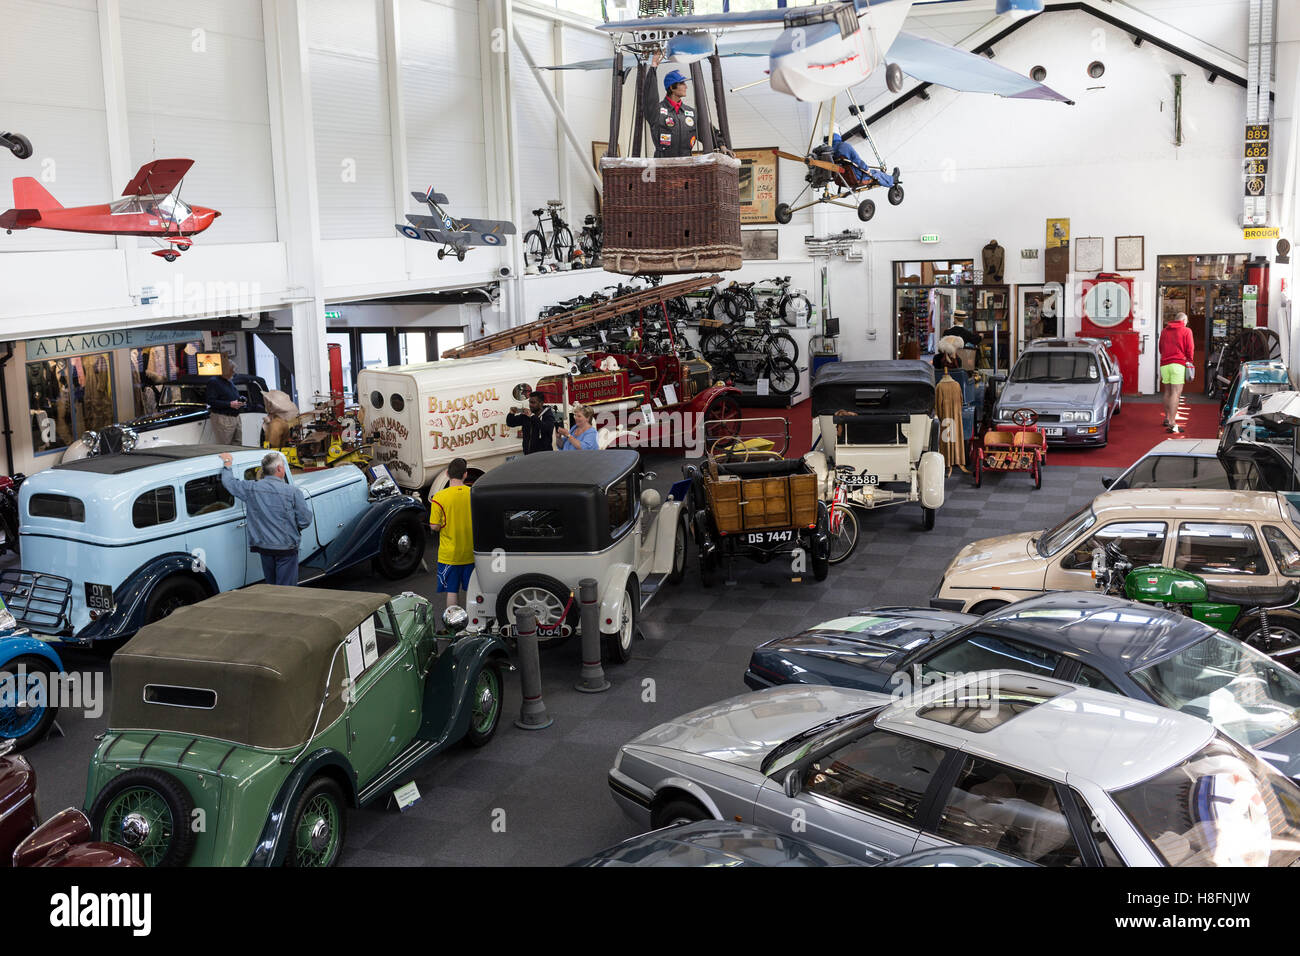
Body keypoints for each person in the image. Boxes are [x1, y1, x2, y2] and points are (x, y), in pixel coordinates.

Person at [218, 450, 312, 586]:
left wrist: (227, 463)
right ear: (279, 468)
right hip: (286, 549)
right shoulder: (293, 492)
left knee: (271, 586)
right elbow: (305, 520)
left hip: (264, 547)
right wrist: (294, 529)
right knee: (287, 591)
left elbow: (229, 483)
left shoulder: (251, 488)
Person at [429, 457, 473, 610]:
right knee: (472, 590)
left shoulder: (439, 498)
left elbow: (434, 526)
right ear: (465, 474)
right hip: (471, 553)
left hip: (450, 555)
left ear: (447, 474)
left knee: (452, 591)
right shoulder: (473, 493)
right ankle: (473, 626)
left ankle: (454, 626)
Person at [646, 53, 697, 158]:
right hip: (663, 166)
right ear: (672, 87)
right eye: (682, 83)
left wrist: (721, 145)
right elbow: (650, 97)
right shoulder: (657, 111)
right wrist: (653, 68)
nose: (686, 86)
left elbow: (707, 130)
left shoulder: (691, 113)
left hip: (686, 165)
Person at [1159, 311, 1195, 434]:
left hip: (1164, 364)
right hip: (1178, 364)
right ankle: (1172, 422)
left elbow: (1160, 347)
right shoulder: (1186, 331)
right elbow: (1190, 349)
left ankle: (1167, 417)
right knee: (1176, 393)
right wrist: (1190, 361)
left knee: (1167, 391)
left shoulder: (1164, 331)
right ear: (1184, 321)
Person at [206, 355, 245, 445]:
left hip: (235, 417)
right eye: (232, 370)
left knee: (238, 444)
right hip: (223, 418)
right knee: (225, 445)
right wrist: (229, 404)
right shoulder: (214, 382)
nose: (234, 373)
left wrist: (239, 402)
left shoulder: (229, 380)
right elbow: (211, 401)